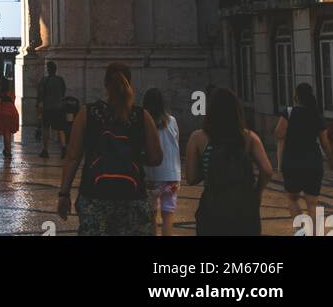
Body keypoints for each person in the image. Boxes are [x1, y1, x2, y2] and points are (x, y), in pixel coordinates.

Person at [57, 61, 162, 235]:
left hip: (94, 197)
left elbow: (73, 157)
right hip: (132, 198)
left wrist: (63, 194)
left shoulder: (87, 113)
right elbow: (156, 158)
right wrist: (133, 158)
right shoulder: (142, 116)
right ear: (130, 83)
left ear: (105, 85)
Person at [186, 87, 271, 237]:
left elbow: (191, 178)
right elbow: (267, 170)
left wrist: (207, 169)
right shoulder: (249, 137)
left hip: (212, 209)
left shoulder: (198, 138)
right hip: (244, 209)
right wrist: (257, 192)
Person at [274, 83, 333, 226]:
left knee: (293, 199)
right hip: (313, 163)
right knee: (312, 204)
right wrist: (331, 161)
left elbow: (278, 134)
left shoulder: (288, 113)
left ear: (296, 96)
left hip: (292, 162)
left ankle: (302, 231)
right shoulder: (316, 115)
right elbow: (325, 144)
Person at [142, 88, 181, 237]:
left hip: (151, 175)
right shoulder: (172, 121)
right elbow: (176, 144)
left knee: (151, 216)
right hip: (171, 175)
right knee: (168, 215)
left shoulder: (143, 123)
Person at [37, 59, 67, 158]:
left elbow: (40, 95)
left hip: (47, 108)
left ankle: (45, 150)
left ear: (48, 70)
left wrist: (39, 108)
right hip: (59, 107)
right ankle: (63, 148)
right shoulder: (60, 80)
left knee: (46, 128)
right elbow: (63, 92)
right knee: (60, 128)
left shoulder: (45, 80)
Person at [0, 81, 20, 157]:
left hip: (4, 114)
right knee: (8, 133)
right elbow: (13, 100)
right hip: (13, 112)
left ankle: (8, 151)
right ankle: (7, 150)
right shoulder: (11, 93)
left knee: (6, 133)